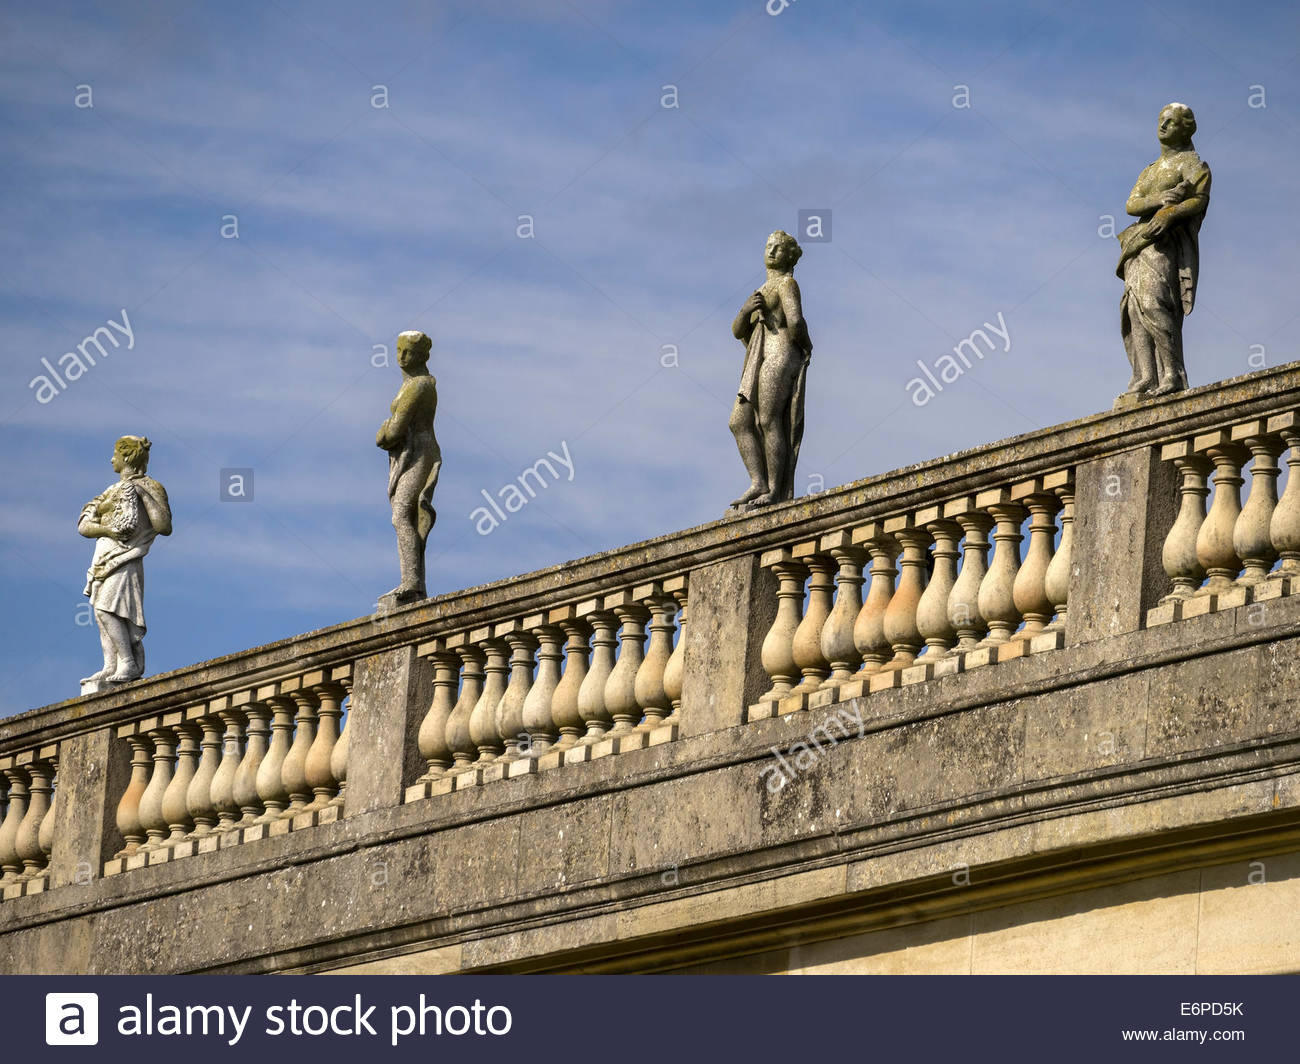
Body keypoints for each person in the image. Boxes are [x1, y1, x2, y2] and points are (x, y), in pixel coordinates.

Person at [1116, 102, 1211, 401]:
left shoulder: (1192, 164)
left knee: (1155, 302)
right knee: (1134, 307)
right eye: (1162, 120)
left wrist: (1171, 214)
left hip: (1163, 245)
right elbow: (1132, 204)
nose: (1164, 126)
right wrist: (1160, 200)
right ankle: (1146, 377)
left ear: (1186, 129)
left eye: (1171, 121)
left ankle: (1172, 373)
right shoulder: (1151, 170)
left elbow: (1199, 200)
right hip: (1140, 243)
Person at [728, 230, 813, 510]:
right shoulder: (760, 290)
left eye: (778, 248)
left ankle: (775, 491)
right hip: (758, 356)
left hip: (780, 351)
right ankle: (759, 482)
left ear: (789, 256)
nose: (772, 251)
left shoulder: (787, 284)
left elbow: (796, 321)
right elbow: (737, 330)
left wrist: (807, 346)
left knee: (768, 418)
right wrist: (745, 311)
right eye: (768, 246)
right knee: (739, 422)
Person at [78, 435, 171, 688]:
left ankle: (128, 661)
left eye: (115, 455)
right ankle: (111, 664)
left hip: (127, 557)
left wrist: (143, 493)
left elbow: (163, 525)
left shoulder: (151, 486)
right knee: (100, 611)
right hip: (104, 557)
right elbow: (84, 526)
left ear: (127, 457)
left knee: (108, 608)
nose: (111, 460)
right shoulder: (109, 490)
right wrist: (107, 529)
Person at [376, 330, 441, 604]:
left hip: (420, 453)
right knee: (405, 515)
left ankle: (412, 582)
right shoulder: (410, 384)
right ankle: (414, 583)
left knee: (402, 514)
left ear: (422, 355)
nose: (402, 358)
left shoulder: (419, 386)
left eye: (409, 353)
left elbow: (394, 432)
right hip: (411, 452)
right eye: (399, 351)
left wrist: (383, 432)